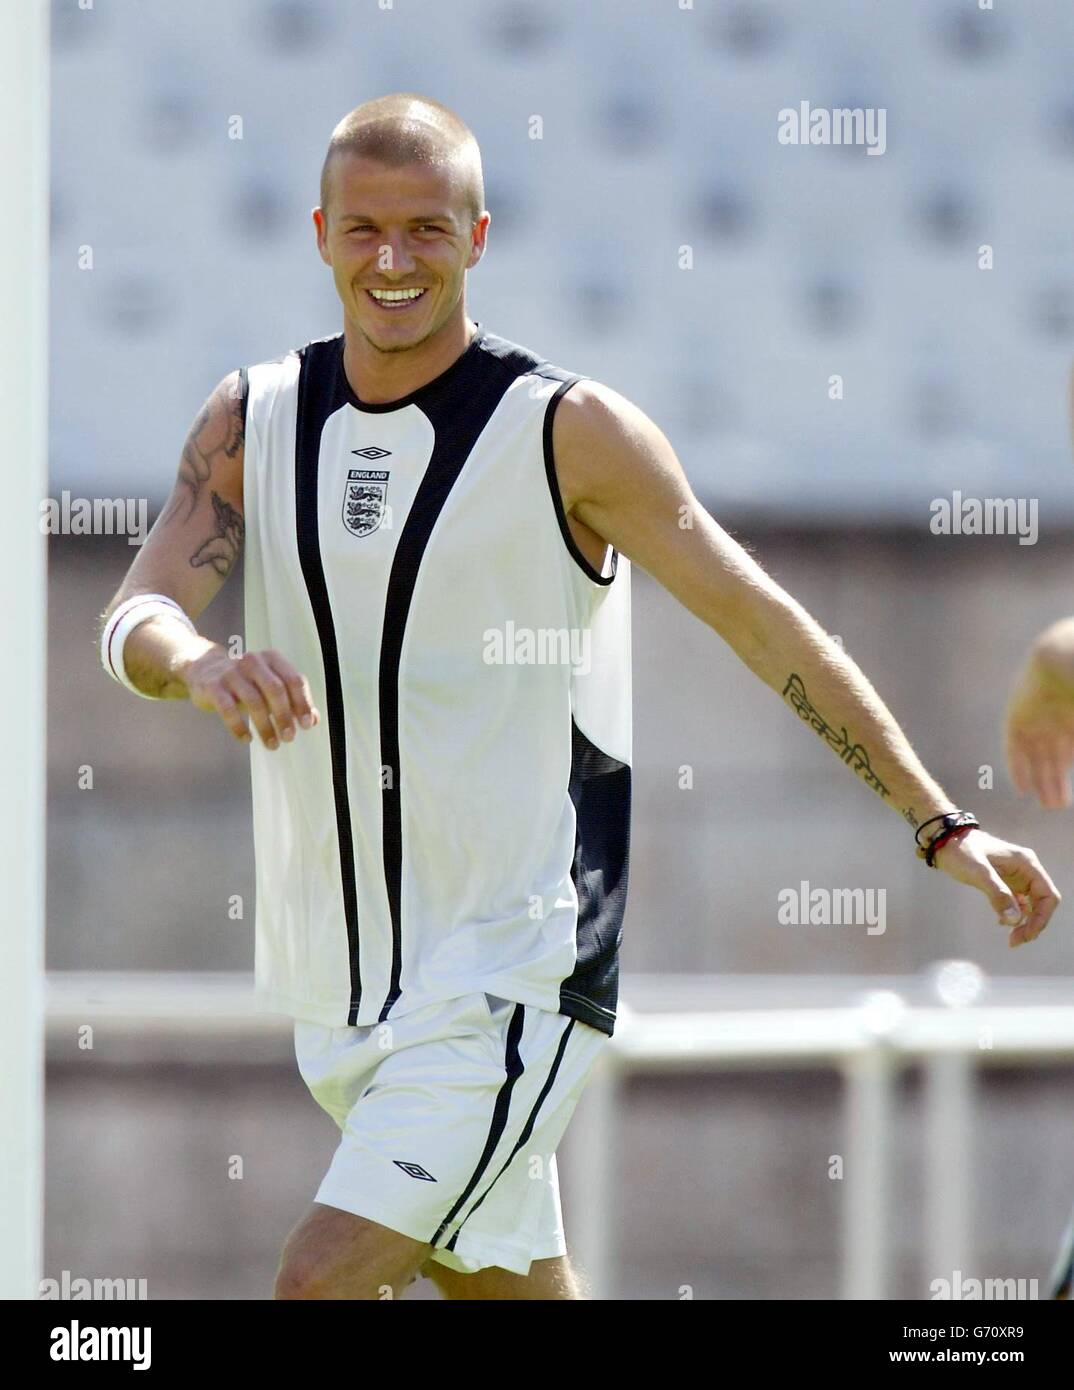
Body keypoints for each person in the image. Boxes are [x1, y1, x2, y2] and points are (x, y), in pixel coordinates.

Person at [98, 93, 1061, 1301]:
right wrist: (195, 662)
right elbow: (136, 614)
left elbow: (766, 628)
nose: (393, 261)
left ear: (479, 238)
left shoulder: (570, 430)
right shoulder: (252, 417)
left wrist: (942, 824)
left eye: (427, 230)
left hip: (517, 969)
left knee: (319, 1283)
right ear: (320, 231)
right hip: (342, 988)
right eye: (365, 230)